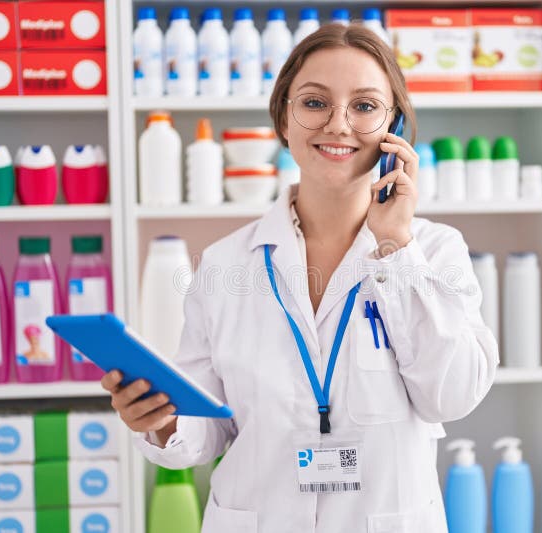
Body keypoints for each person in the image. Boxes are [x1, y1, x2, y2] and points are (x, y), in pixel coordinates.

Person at [102, 24, 498, 533]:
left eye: (364, 106)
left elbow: (452, 396)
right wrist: (162, 422)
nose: (338, 124)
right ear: (283, 120)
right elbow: (208, 429)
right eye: (314, 103)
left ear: (393, 125)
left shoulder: (435, 251)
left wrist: (396, 248)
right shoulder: (225, 265)